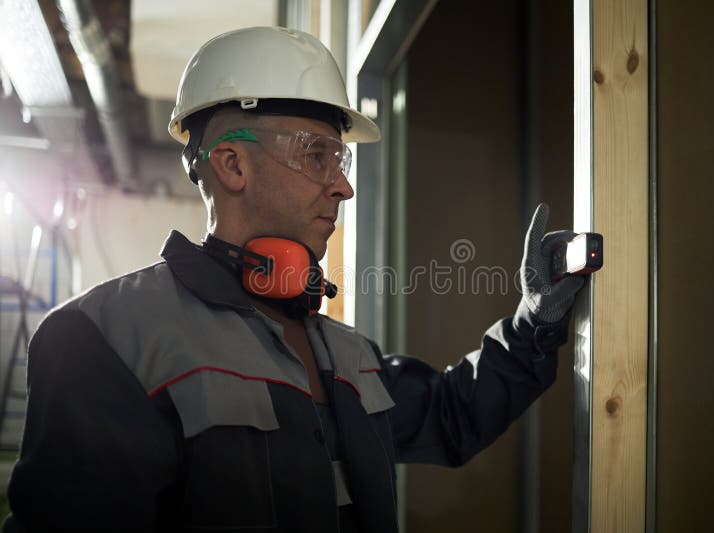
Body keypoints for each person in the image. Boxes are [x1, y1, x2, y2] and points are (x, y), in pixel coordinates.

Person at [2, 27, 585, 532]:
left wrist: (534, 323)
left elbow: (451, 415)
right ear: (233, 165)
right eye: (316, 155)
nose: (344, 186)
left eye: (341, 160)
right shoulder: (104, 339)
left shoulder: (348, 355)